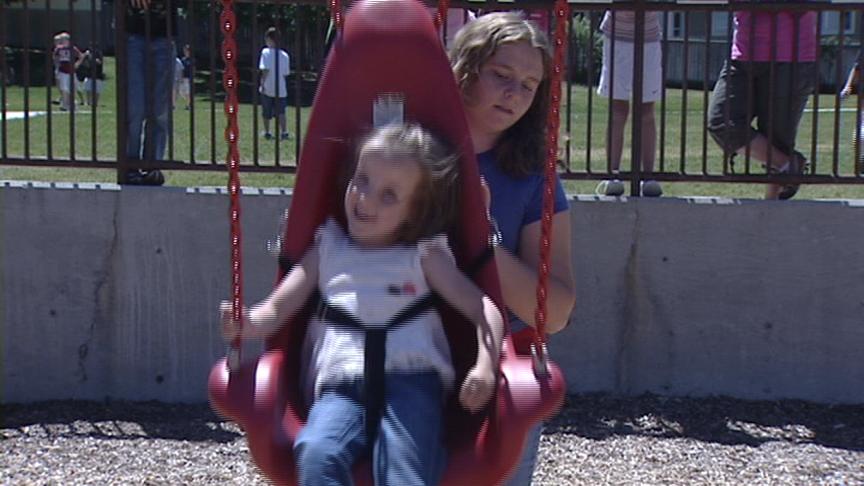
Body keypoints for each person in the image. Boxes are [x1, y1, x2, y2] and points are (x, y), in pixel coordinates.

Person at [221, 123, 504, 486]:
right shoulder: (327, 248)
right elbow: (276, 310)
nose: (366, 199)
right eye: (363, 181)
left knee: (403, 471)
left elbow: (483, 308)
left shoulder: (423, 255)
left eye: (389, 196)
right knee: (316, 451)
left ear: (414, 212)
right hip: (341, 385)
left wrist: (485, 366)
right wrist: (245, 322)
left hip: (413, 382)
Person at [449, 12, 576, 486]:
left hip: (499, 357)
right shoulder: (412, 150)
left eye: (529, 84)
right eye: (501, 75)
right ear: (464, 69)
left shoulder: (533, 177)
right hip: (409, 347)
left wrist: (481, 239)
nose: (514, 94)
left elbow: (556, 309)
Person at [707, 8, 816, 200]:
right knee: (721, 122)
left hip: (791, 56)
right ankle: (790, 165)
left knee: (778, 139)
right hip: (743, 54)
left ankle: (771, 207)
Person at [595, 10, 663, 197]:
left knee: (646, 110)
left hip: (648, 36)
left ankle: (648, 176)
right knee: (618, 110)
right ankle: (613, 174)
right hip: (617, 35)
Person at [124, 0, 178, 186]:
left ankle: (152, 164)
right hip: (133, 34)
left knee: (160, 109)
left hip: (164, 35)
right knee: (134, 106)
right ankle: (130, 164)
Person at [258, 27, 291, 141]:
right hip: (280, 88)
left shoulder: (265, 52)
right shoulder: (285, 55)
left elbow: (265, 69)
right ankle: (284, 132)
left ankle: (267, 131)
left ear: (269, 39)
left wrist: (262, 83)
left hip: (268, 86)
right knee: (281, 112)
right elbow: (286, 73)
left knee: (266, 111)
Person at [52, 32, 82, 111]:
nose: (63, 41)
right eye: (62, 40)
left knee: (73, 88)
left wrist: (77, 64)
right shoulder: (59, 49)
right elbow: (55, 57)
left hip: (71, 72)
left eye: (64, 40)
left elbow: (80, 56)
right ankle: (65, 105)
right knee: (64, 88)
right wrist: (57, 65)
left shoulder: (73, 48)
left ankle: (72, 103)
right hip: (63, 71)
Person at [177, 44, 194, 110]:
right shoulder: (183, 60)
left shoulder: (191, 60)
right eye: (185, 51)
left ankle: (188, 105)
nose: (185, 52)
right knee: (181, 92)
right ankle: (189, 101)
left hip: (188, 78)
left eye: (187, 51)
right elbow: (181, 69)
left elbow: (193, 69)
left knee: (187, 92)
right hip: (183, 78)